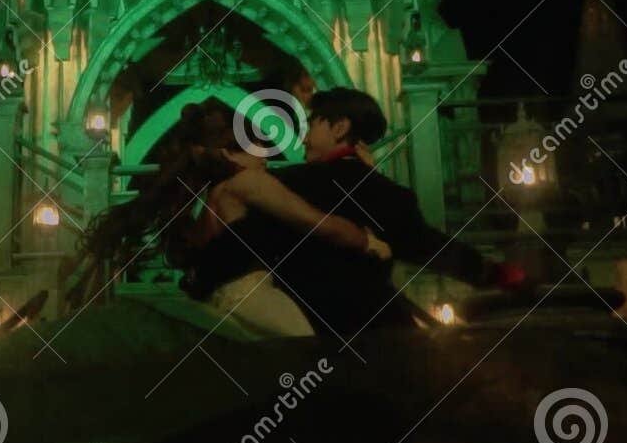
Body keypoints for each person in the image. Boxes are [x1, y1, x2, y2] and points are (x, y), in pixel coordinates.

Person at [80, 100, 391, 337]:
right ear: (229, 154)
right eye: (260, 149)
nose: (268, 159)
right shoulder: (248, 184)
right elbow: (318, 223)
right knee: (320, 358)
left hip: (219, 307)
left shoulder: (203, 197)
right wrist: (367, 241)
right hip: (257, 305)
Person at [244, 87, 525, 336]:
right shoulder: (390, 195)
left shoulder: (288, 184)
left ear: (340, 127)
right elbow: (429, 248)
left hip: (295, 328)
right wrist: (497, 273)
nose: (303, 139)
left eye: (311, 126)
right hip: (373, 330)